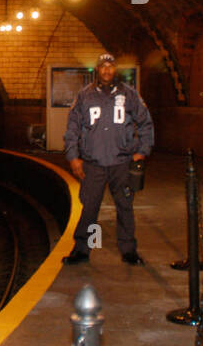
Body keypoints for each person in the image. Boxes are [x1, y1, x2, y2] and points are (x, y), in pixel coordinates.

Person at [62, 53, 154, 265]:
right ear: (97, 69)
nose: (106, 71)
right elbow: (73, 128)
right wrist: (73, 156)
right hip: (93, 163)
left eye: (110, 67)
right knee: (90, 207)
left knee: (124, 206)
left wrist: (142, 150)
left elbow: (145, 123)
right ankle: (82, 250)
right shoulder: (85, 96)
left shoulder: (130, 95)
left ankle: (129, 250)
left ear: (116, 70)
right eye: (103, 67)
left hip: (121, 161)